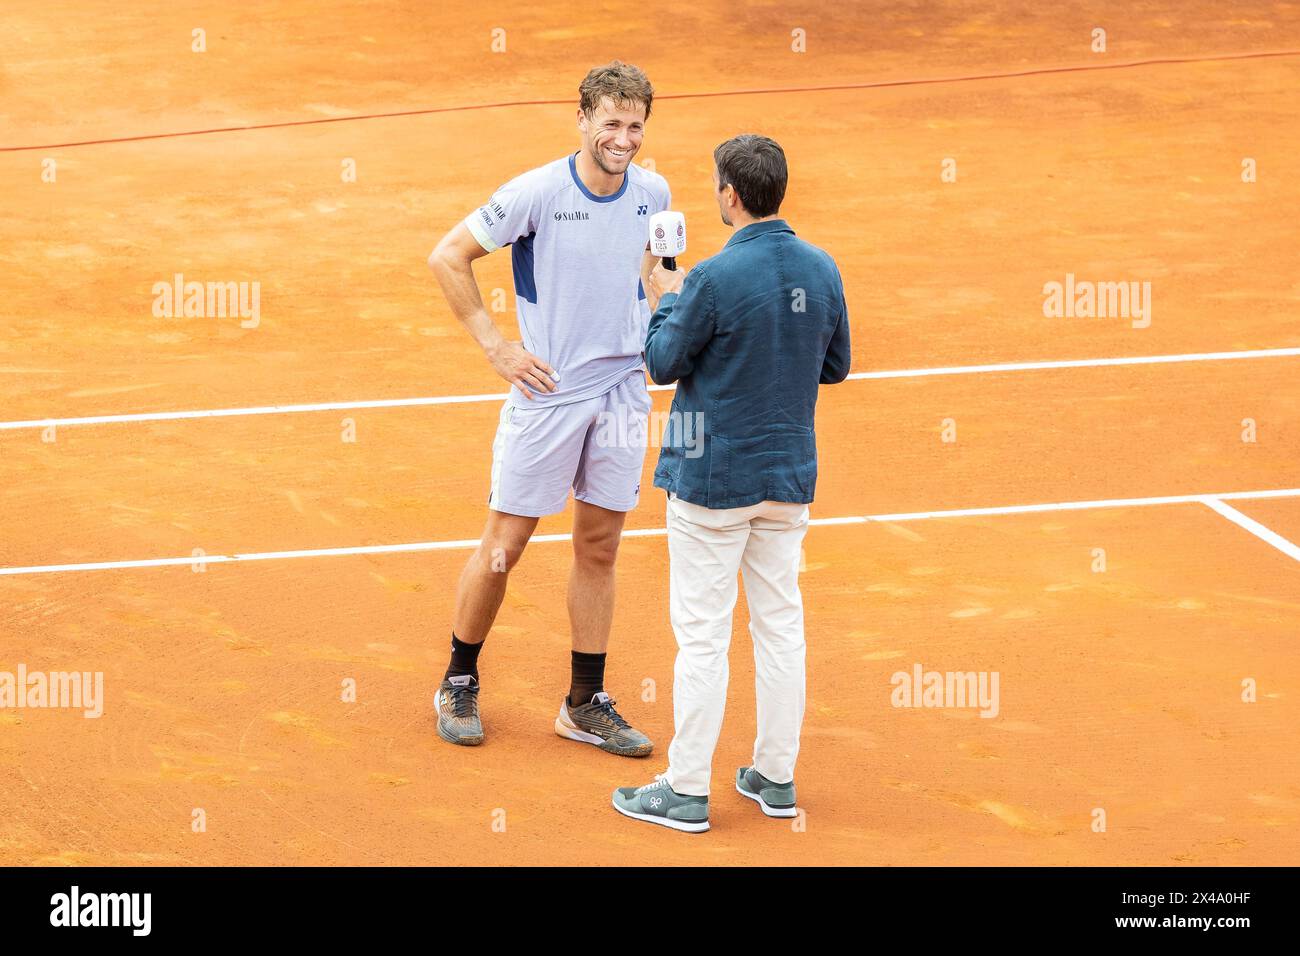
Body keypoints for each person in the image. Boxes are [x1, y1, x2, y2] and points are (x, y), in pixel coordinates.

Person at [426, 61, 670, 756]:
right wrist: (497, 347)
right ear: (583, 121)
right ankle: (458, 679)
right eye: (612, 123)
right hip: (549, 392)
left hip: (623, 389)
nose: (623, 138)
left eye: (635, 125)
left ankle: (583, 702)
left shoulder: (653, 192)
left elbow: (653, 269)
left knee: (600, 546)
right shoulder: (535, 192)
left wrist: (667, 305)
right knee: (505, 546)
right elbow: (448, 256)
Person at [612, 134, 851, 831]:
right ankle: (775, 778)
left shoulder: (712, 278)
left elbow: (662, 361)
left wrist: (663, 294)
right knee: (781, 628)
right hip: (788, 479)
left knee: (704, 638)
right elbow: (833, 367)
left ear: (731, 195)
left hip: (713, 483)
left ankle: (686, 790)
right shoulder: (822, 267)